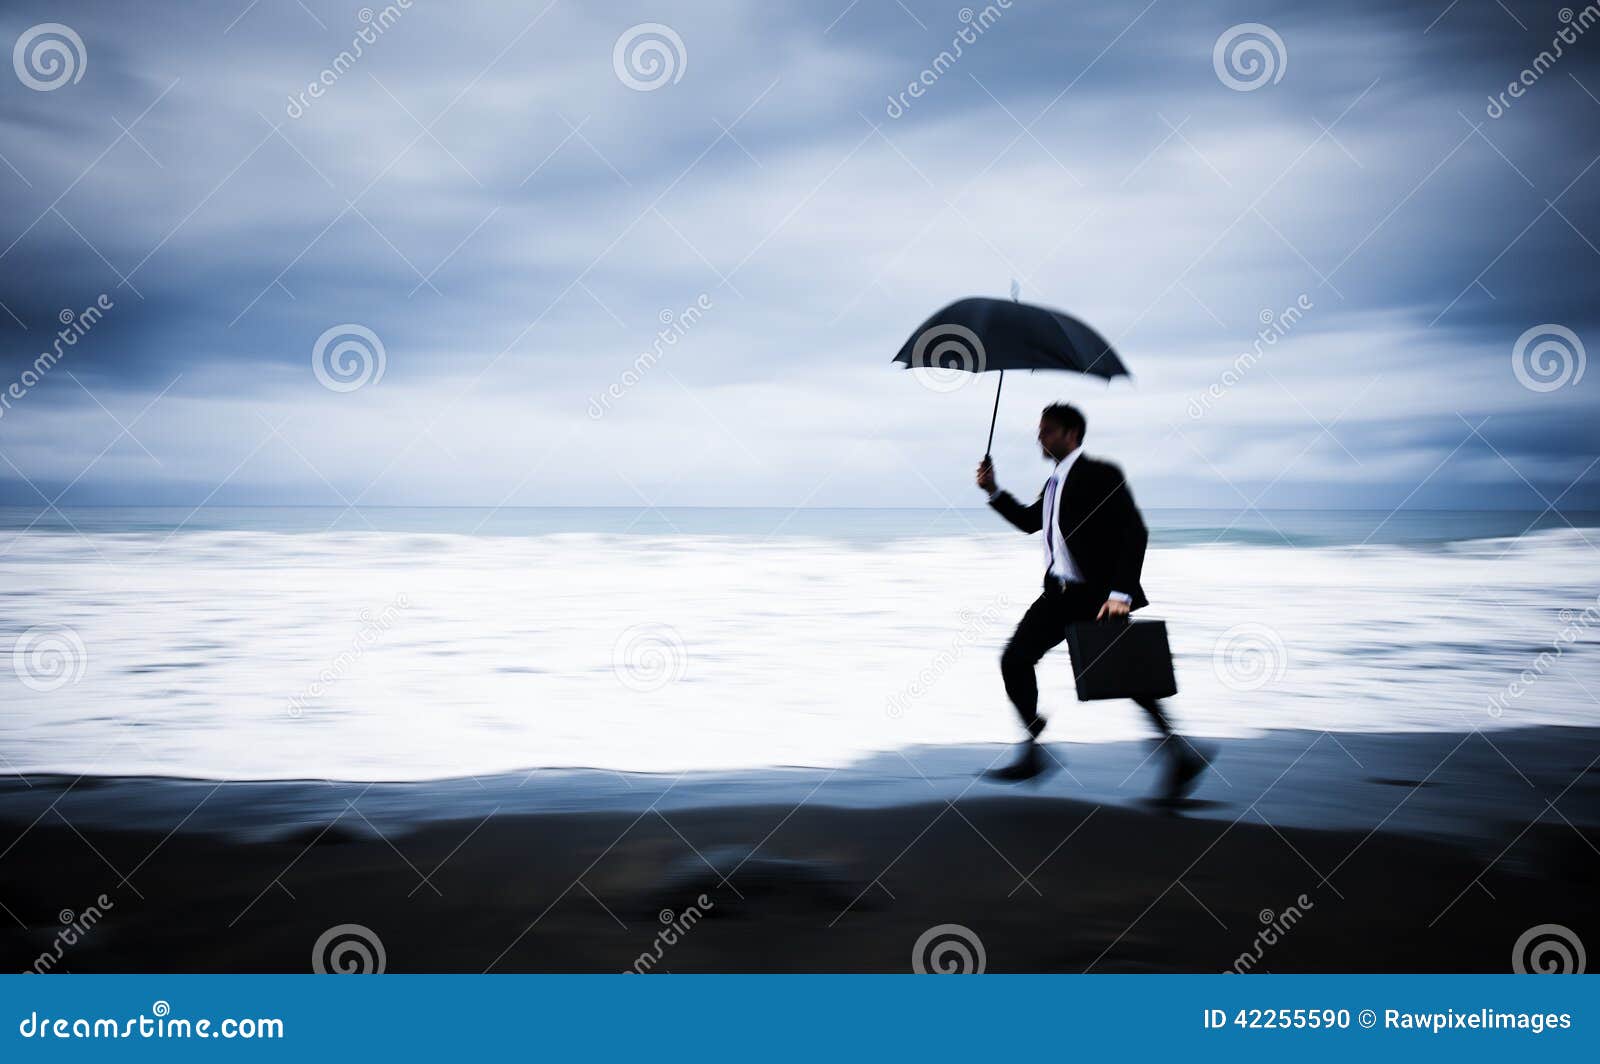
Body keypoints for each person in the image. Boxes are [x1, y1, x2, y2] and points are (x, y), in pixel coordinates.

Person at [976, 402, 1212, 800]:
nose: (1040, 437)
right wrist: (994, 491)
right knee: (1014, 660)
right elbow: (1031, 522)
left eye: (1048, 431)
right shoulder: (1053, 482)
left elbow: (1134, 532)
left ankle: (1180, 755)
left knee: (1129, 679)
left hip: (1096, 598)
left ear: (1072, 435)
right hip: (1057, 595)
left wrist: (1121, 593)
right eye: (1040, 430)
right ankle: (1033, 747)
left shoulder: (1100, 474)